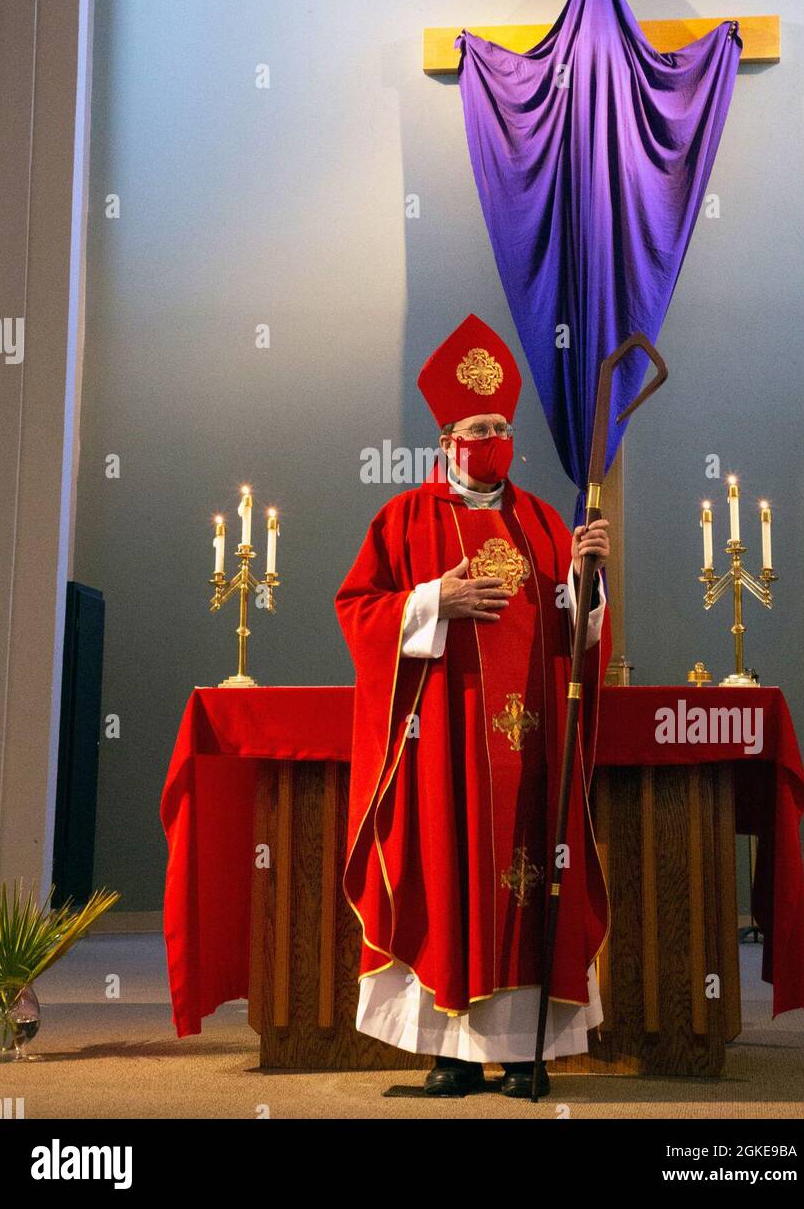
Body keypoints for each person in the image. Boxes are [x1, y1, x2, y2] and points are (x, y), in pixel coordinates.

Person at [335, 314, 611, 1098]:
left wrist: (591, 579)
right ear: (446, 440)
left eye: (502, 427)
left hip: (531, 747)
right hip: (444, 744)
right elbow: (359, 610)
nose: (492, 439)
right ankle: (452, 1054)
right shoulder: (404, 519)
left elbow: (577, 629)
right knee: (449, 875)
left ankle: (527, 1052)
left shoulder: (546, 523)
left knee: (529, 882)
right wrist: (431, 601)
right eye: (477, 427)